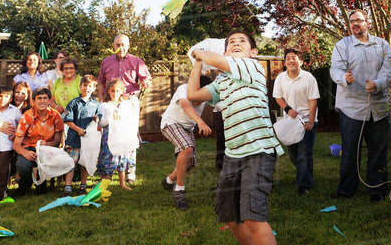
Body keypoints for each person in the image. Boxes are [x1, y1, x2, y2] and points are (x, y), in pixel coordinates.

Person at [187, 30, 283, 245]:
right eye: (231, 42)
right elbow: (192, 95)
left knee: (252, 218)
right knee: (228, 217)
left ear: (253, 52)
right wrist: (197, 63)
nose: (236, 44)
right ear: (225, 50)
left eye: (242, 41)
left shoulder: (251, 67)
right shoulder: (222, 81)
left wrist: (199, 52)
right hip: (233, 155)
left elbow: (215, 60)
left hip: (258, 152)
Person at [330, 9, 391, 202]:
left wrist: (378, 83)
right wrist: (344, 78)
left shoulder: (382, 45)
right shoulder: (342, 46)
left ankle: (377, 190)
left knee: (378, 151)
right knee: (350, 151)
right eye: (352, 22)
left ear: (367, 23)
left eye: (359, 20)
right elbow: (336, 69)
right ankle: (346, 190)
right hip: (351, 108)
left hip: (378, 108)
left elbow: (389, 69)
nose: (355, 24)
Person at [97, 34, 151, 183]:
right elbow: (101, 82)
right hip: (111, 102)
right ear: (113, 46)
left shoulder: (137, 61)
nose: (120, 48)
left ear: (128, 46)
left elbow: (146, 79)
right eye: (117, 45)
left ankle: (130, 171)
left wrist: (145, 82)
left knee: (130, 136)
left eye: (123, 45)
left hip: (128, 101)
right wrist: (102, 100)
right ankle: (108, 170)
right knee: (110, 136)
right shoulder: (106, 62)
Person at [160, 75, 213, 210]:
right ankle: (179, 191)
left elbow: (222, 104)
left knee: (189, 164)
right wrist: (200, 122)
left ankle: (168, 181)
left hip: (186, 128)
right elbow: (185, 104)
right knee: (187, 148)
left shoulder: (207, 94)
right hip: (171, 123)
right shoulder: (184, 88)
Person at [273, 48, 320, 195]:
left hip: (307, 119)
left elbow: (313, 101)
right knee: (293, 154)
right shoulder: (280, 78)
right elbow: (278, 97)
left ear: (300, 61)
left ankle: (304, 185)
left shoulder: (309, 78)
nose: (291, 60)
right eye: (288, 58)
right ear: (285, 62)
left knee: (304, 153)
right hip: (290, 120)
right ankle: (304, 173)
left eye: (294, 58)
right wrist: (287, 109)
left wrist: (311, 121)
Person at [13, 87, 64, 196]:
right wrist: (25, 153)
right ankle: (25, 185)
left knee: (42, 190)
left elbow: (57, 141)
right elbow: (16, 145)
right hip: (29, 147)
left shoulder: (55, 116)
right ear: (33, 101)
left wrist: (47, 144)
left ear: (49, 100)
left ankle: (42, 182)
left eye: (45, 98)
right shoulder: (27, 116)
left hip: (47, 148)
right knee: (23, 165)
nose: (42, 101)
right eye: (39, 98)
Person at [96, 79, 139, 190]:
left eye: (117, 91)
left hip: (122, 137)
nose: (115, 93)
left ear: (122, 91)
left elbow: (130, 119)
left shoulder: (125, 105)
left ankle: (122, 183)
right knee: (107, 158)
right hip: (109, 137)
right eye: (112, 91)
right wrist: (110, 118)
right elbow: (100, 123)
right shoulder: (104, 106)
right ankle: (103, 183)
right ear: (108, 91)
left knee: (122, 158)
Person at [63, 75, 101, 196]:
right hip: (74, 139)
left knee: (85, 162)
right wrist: (78, 129)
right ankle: (67, 186)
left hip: (88, 140)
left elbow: (99, 117)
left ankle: (83, 185)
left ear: (94, 88)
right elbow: (68, 120)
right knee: (71, 163)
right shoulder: (74, 103)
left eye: (90, 86)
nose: (86, 88)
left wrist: (97, 119)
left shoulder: (96, 104)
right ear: (80, 87)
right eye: (84, 85)